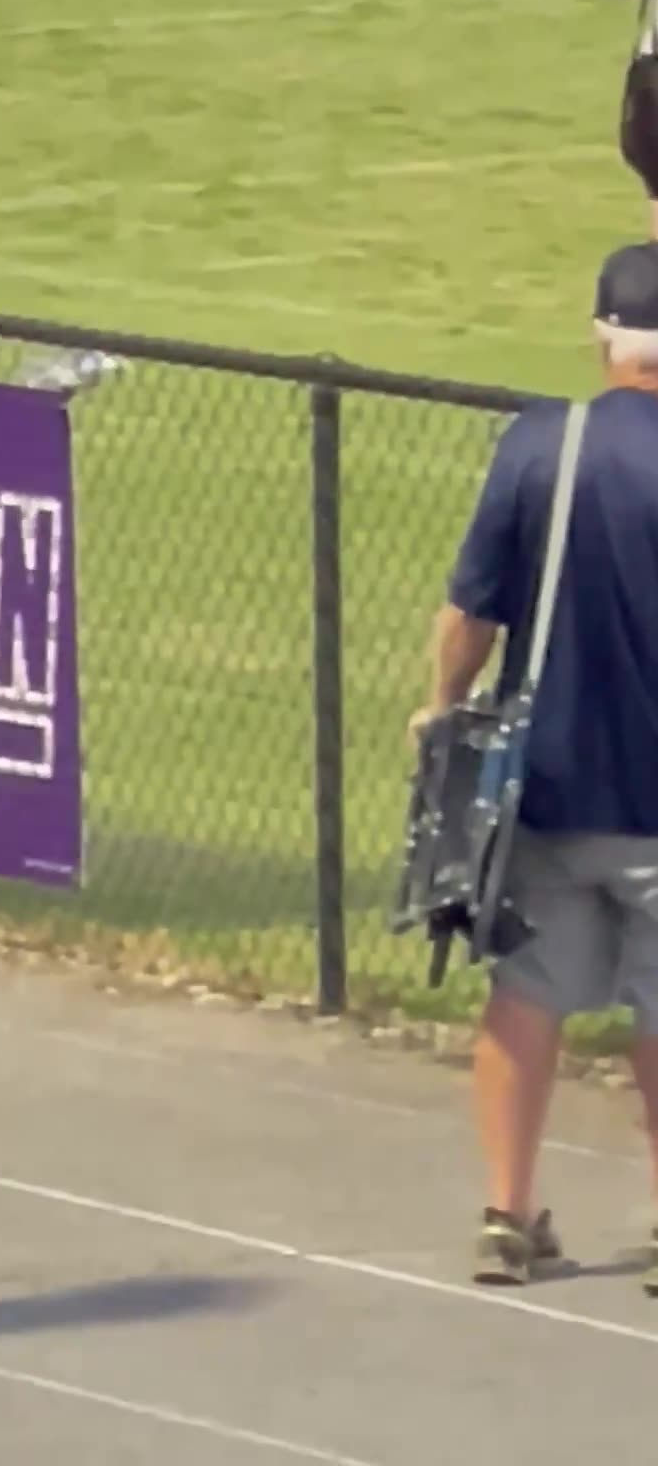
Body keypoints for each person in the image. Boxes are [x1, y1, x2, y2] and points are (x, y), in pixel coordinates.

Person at [424, 243, 658, 1289]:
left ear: (602, 335)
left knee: (526, 993)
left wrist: (442, 709)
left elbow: (470, 616)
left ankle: (507, 1215)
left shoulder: (539, 448)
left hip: (551, 783)